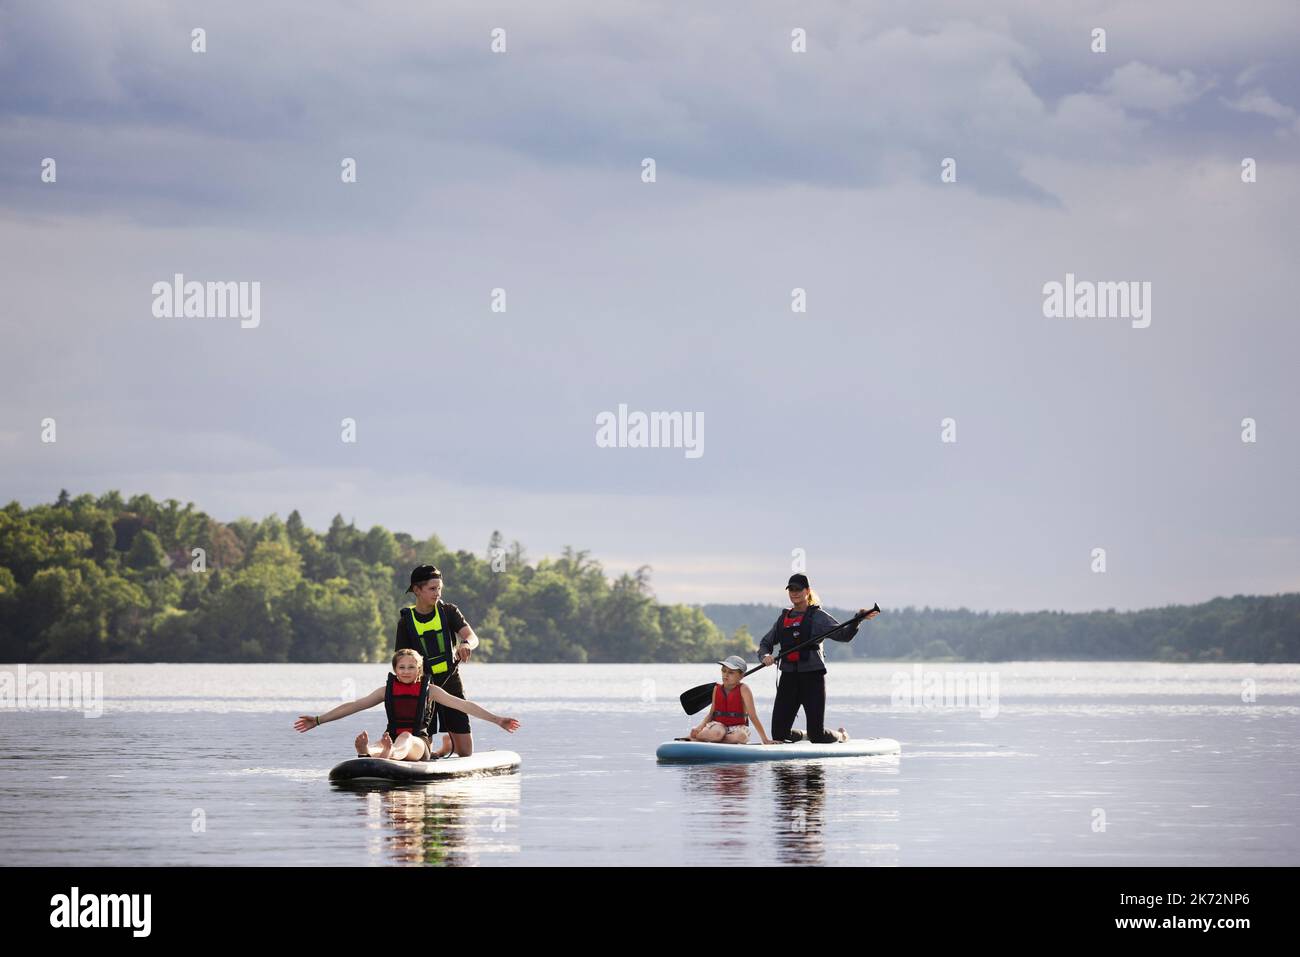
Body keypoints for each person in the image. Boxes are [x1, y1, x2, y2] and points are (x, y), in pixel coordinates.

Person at [293, 649, 519, 760]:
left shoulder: (430, 691)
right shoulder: (386, 691)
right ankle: (368, 752)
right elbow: (354, 705)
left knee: (405, 738)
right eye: (402, 667)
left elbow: (464, 706)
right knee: (384, 742)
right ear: (395, 670)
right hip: (390, 739)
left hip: (419, 744)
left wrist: (498, 719)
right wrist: (319, 720)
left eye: (411, 667)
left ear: (419, 670)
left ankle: (387, 754)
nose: (406, 671)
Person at [758, 573, 880, 743]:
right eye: (791, 589)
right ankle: (804, 735)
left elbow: (844, 635)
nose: (794, 593)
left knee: (818, 736)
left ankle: (841, 735)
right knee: (779, 735)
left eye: (798, 589)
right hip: (789, 678)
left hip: (812, 678)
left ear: (807, 591)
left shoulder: (818, 617)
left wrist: (857, 620)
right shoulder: (783, 619)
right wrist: (765, 656)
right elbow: (765, 643)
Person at [396, 564, 481, 756]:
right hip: (423, 685)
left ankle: (448, 746)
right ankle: (441, 748)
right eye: (432, 589)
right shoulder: (405, 622)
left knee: (466, 753)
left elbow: (473, 637)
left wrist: (466, 644)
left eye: (440, 588)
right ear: (417, 590)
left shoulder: (449, 611)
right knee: (425, 751)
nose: (438, 593)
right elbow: (400, 659)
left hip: (450, 681)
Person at [689, 655, 774, 745]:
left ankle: (713, 739)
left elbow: (753, 716)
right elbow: (711, 714)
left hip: (737, 727)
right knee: (717, 733)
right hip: (718, 725)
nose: (726, 675)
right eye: (724, 671)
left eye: (731, 672)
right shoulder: (716, 688)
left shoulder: (744, 689)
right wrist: (699, 727)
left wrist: (765, 739)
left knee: (741, 737)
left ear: (741, 676)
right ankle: (697, 736)